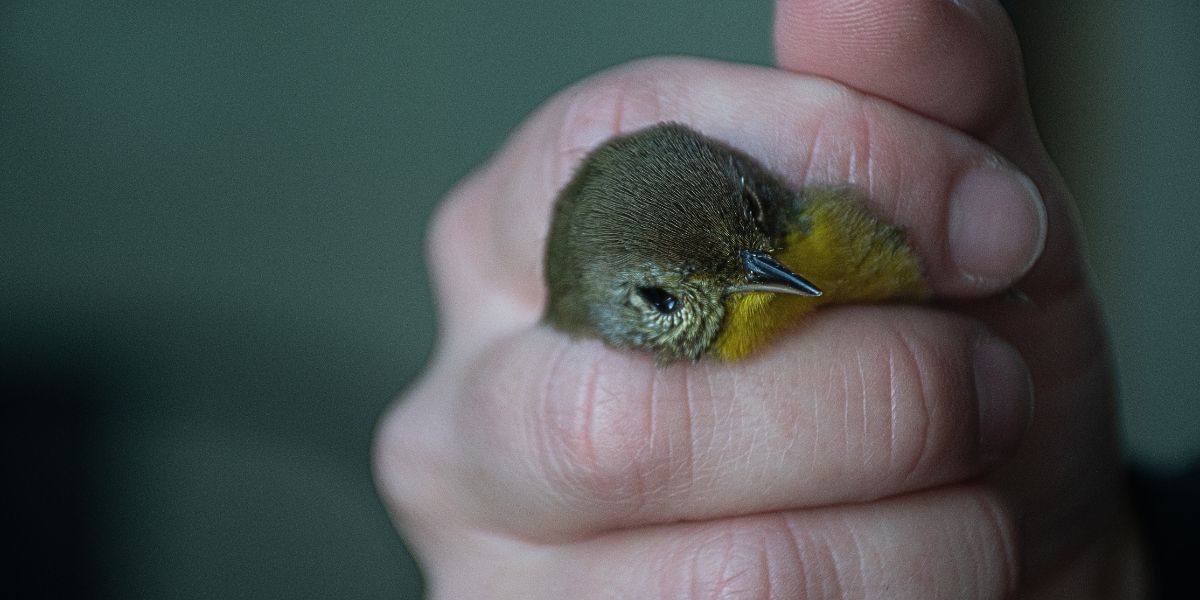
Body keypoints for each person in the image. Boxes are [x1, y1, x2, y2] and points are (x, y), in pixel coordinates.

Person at [373, 1, 1151, 597]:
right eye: (664, 299)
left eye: (751, 209)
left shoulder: (824, 225)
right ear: (609, 326)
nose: (762, 272)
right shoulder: (599, 407)